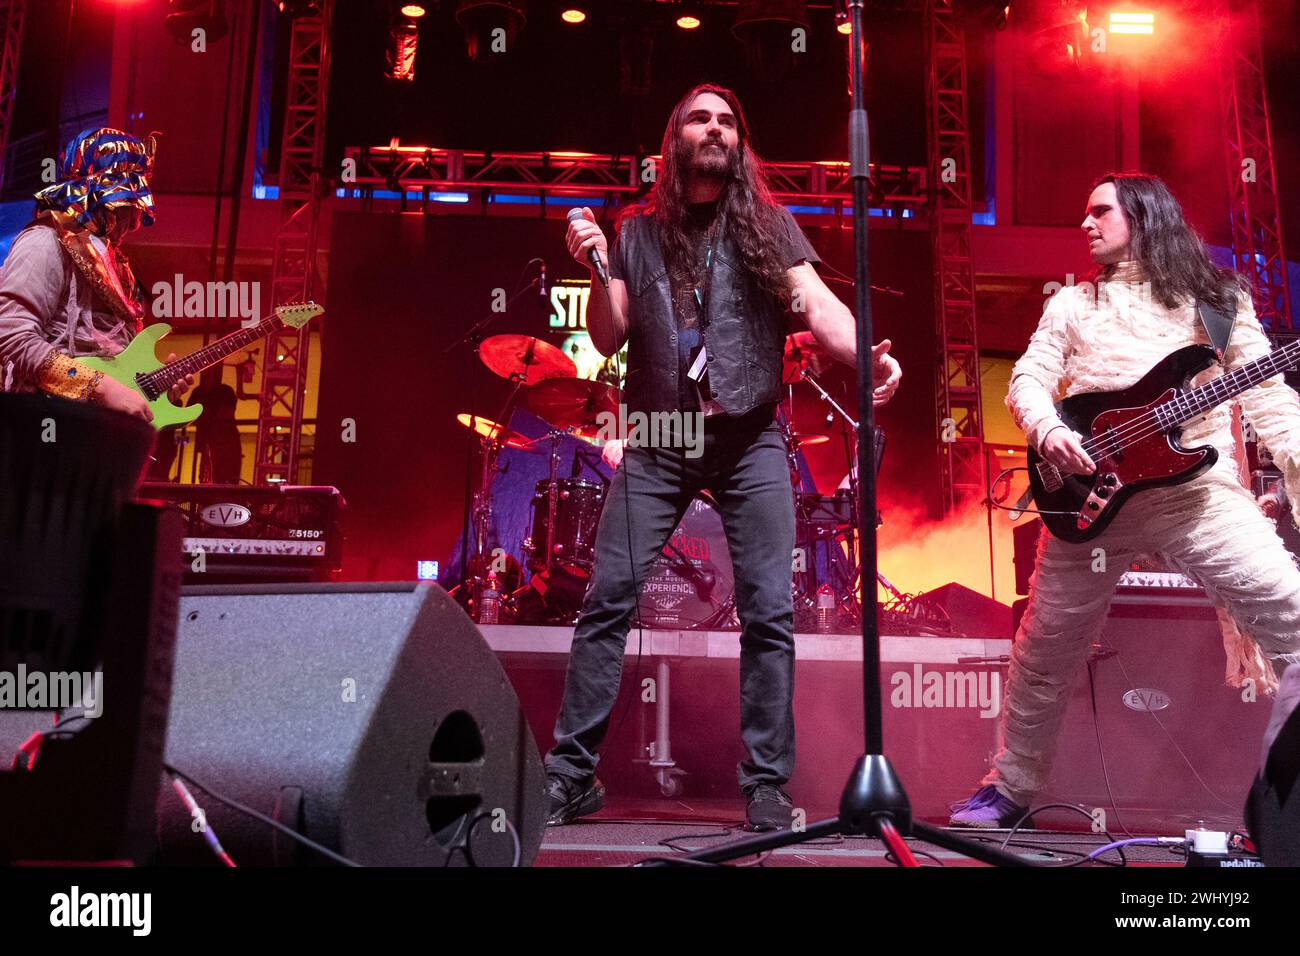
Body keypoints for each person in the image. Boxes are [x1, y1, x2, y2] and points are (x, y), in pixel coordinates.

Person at [545, 83, 901, 831]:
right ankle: (570, 775)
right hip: (662, 439)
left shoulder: (767, 227)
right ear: (674, 140)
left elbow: (818, 303)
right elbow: (609, 337)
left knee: (770, 611)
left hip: (748, 436)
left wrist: (863, 356)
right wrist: (593, 265)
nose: (716, 129)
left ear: (740, 143)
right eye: (700, 119)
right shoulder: (634, 234)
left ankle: (767, 784)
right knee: (606, 602)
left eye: (728, 121)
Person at [949, 172, 1300, 827]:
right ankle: (1011, 789)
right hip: (1090, 503)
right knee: (1047, 649)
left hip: (1196, 497)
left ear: (1142, 217)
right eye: (1085, 212)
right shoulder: (1074, 305)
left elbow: (1268, 394)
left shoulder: (1217, 297)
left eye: (1099, 211)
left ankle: (1289, 804)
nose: (1085, 223)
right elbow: (1028, 378)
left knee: (1293, 614)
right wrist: (1050, 430)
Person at [0, 128, 191, 418]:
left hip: (98, 436)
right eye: (128, 205)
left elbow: (111, 362)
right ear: (98, 200)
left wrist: (150, 387)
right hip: (49, 427)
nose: (137, 223)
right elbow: (11, 335)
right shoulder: (44, 241)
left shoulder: (115, 266)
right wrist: (101, 387)